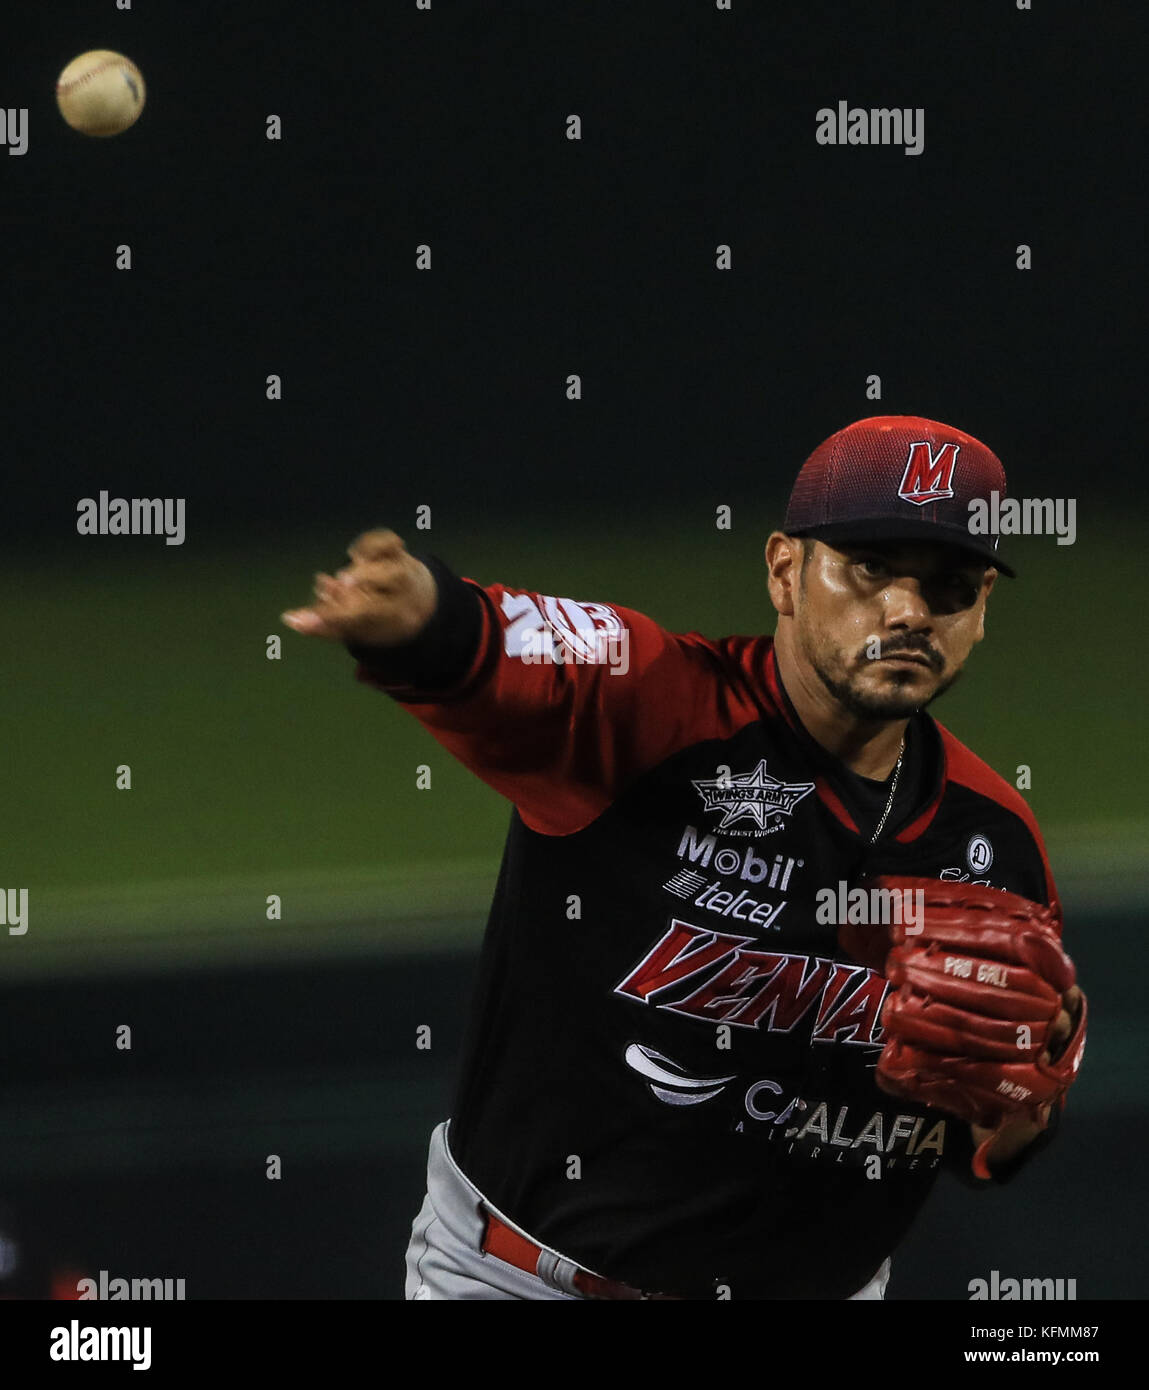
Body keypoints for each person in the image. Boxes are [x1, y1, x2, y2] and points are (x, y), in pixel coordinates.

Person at [282, 414, 1085, 1300]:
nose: (906, 610)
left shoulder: (992, 838)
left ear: (980, 612)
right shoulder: (653, 709)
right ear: (784, 570)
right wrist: (421, 618)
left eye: (948, 584)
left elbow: (985, 1147)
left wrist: (1025, 1094)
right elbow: (518, 647)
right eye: (868, 569)